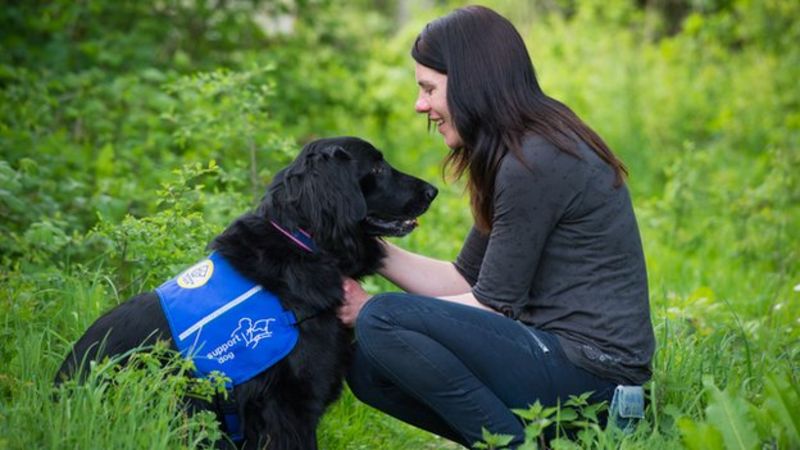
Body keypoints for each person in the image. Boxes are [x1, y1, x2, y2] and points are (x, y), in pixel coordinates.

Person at [337, 5, 655, 448]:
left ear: (470, 83)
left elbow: (491, 308)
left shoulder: (536, 160)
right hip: (559, 362)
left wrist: (370, 308)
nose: (420, 104)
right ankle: (525, 441)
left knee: (383, 321)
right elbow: (463, 282)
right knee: (367, 369)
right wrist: (364, 248)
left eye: (429, 89)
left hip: (598, 379)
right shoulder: (521, 148)